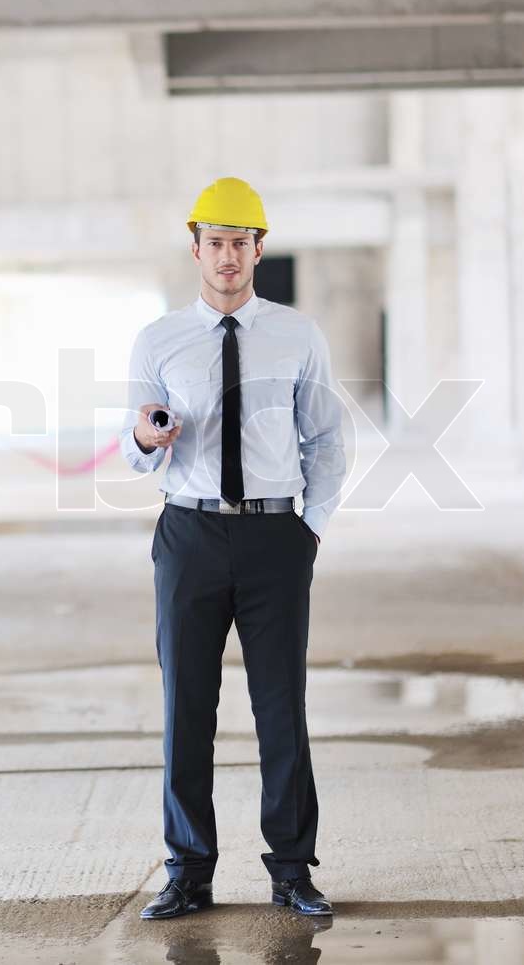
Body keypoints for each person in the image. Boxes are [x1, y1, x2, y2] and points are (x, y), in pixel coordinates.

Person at [119, 176, 348, 920]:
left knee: (282, 703)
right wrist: (148, 437)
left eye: (240, 243)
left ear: (258, 249)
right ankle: (188, 869)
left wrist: (309, 527)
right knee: (187, 702)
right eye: (214, 243)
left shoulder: (297, 333)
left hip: (276, 534)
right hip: (188, 533)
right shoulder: (158, 340)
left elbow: (326, 436)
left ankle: (290, 868)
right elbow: (137, 444)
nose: (227, 256)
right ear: (195, 248)